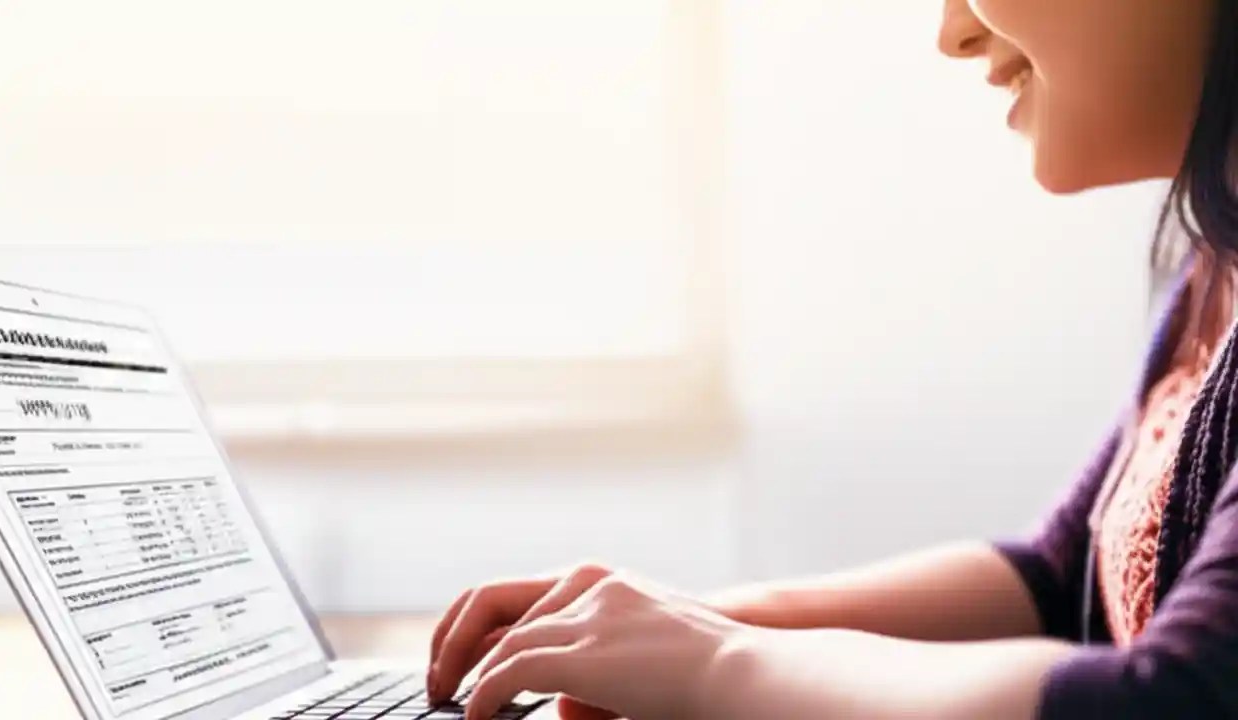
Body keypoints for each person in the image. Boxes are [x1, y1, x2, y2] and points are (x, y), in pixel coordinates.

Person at [427, 0, 1238, 717]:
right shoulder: (1212, 269)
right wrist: (678, 624)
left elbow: (1179, 697)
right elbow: (1059, 581)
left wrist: (717, 663)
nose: (952, 33)